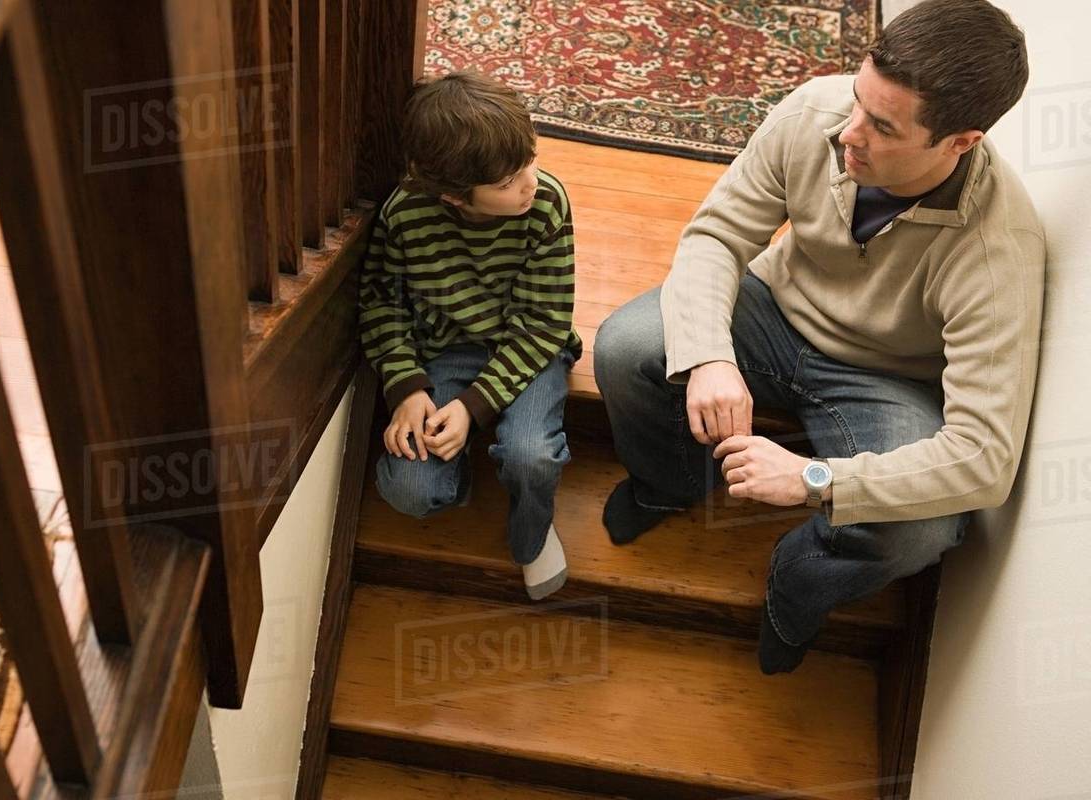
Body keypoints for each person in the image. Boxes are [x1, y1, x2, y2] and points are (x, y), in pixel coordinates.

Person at [594, 0, 1043, 673]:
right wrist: (711, 356)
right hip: (773, 307)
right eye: (858, 101)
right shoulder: (819, 111)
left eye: (882, 126)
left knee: (917, 534)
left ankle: (793, 592)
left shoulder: (999, 251)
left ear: (960, 143)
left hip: (885, 380)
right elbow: (717, 236)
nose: (848, 133)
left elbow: (984, 456)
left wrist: (813, 478)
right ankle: (669, 484)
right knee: (627, 347)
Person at [358, 70, 580, 601]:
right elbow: (380, 302)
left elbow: (544, 323)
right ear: (456, 198)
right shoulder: (404, 216)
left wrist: (473, 406)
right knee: (408, 489)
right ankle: (464, 472)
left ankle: (530, 533)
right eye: (506, 183)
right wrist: (407, 389)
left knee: (532, 456)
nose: (530, 181)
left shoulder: (545, 203)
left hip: (531, 350)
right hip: (444, 352)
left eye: (530, 158)